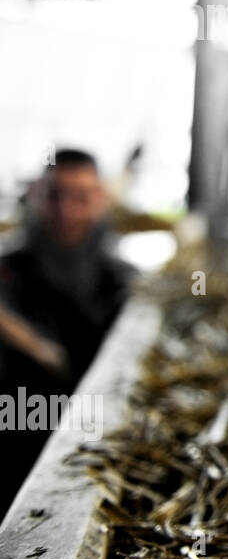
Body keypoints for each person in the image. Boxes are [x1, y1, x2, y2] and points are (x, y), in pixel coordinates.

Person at [0, 149, 134, 513]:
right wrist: (34, 346)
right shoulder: (8, 272)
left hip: (92, 449)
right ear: (36, 196)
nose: (66, 211)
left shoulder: (123, 282)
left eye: (82, 198)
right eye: (55, 195)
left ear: (102, 200)